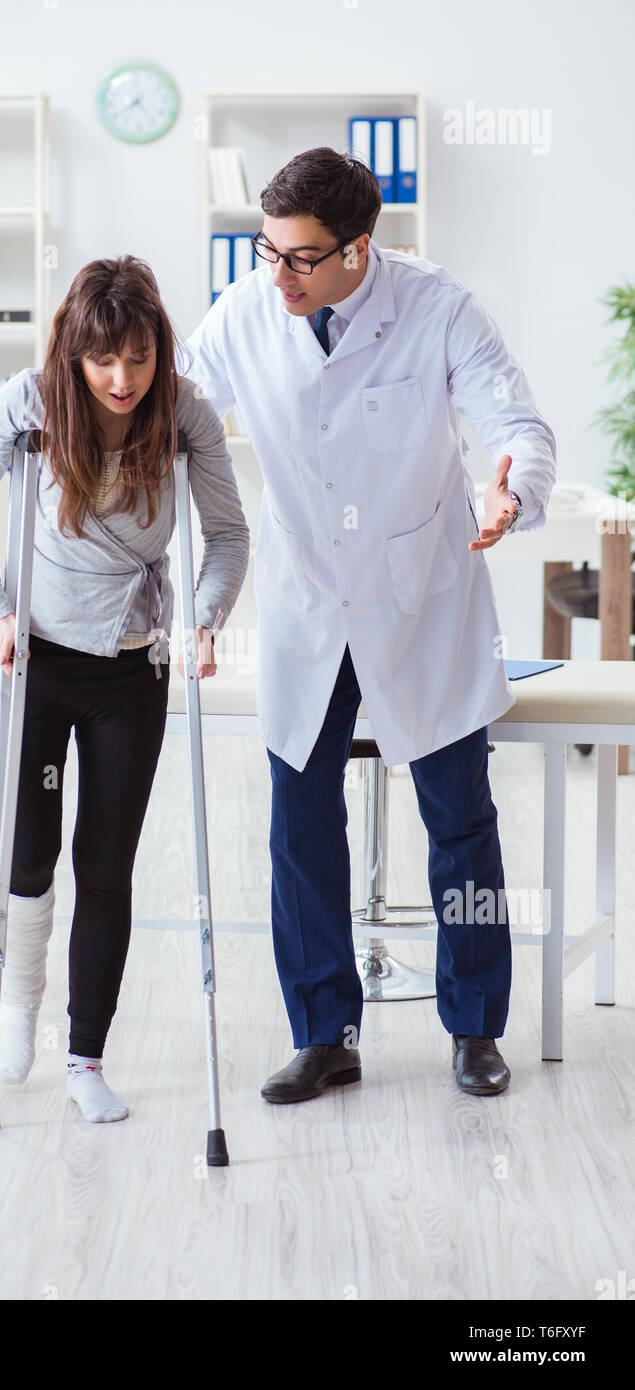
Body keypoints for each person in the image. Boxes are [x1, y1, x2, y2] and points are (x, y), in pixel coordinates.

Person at [183, 146, 556, 1102]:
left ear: (359, 249)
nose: (278, 276)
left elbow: (518, 428)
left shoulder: (435, 307)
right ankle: (325, 1035)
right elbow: (170, 419)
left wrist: (510, 494)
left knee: (458, 821)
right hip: (309, 601)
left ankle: (475, 1028)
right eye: (266, 251)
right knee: (298, 825)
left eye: (300, 258)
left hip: (419, 597)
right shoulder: (245, 310)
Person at [0, 256, 250, 1123]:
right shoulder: (30, 403)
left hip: (130, 669)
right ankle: (16, 1006)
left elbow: (225, 532)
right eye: (103, 360)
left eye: (138, 359)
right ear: (74, 352)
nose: (121, 379)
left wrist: (207, 618)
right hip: (31, 662)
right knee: (29, 855)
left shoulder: (183, 412)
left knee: (103, 867)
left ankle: (85, 1057)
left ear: (160, 352)